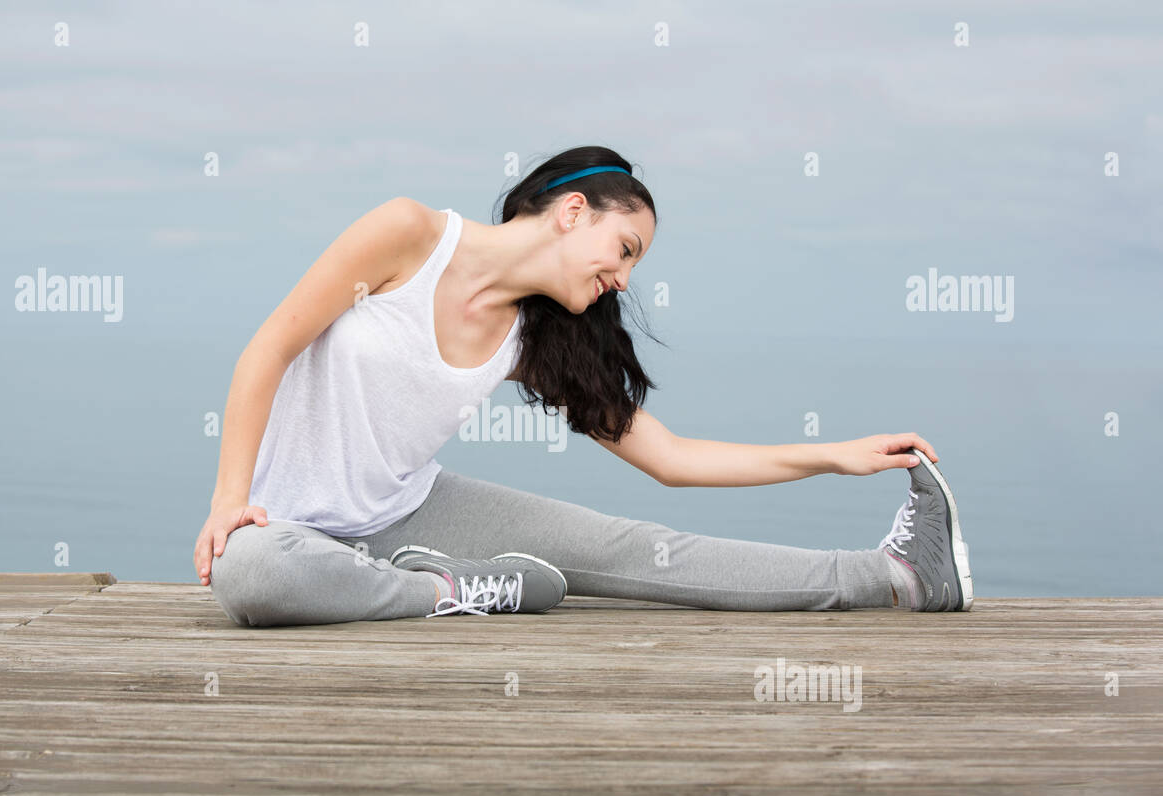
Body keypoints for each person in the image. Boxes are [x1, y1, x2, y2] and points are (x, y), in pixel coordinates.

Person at [195, 145, 973, 626]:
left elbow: (672, 458)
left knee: (641, 552)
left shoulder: (539, 337)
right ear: (573, 210)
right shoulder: (408, 235)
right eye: (624, 247)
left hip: (409, 511)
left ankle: (898, 577)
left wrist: (833, 454)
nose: (623, 278)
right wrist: (232, 500)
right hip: (288, 525)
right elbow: (270, 347)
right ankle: (448, 593)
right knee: (254, 574)